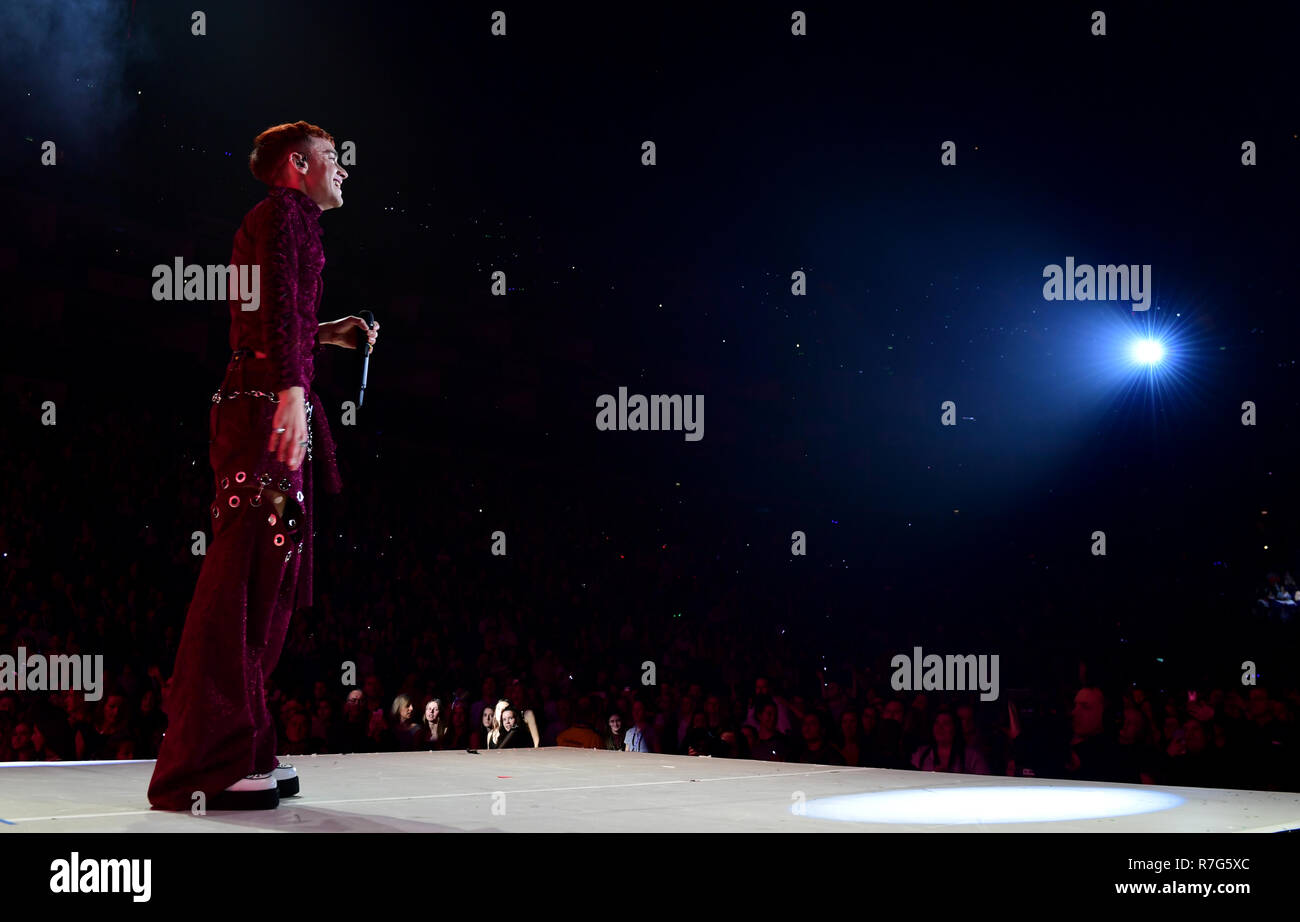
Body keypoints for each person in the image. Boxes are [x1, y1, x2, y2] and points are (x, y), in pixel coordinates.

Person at [148, 121, 379, 811]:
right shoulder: (280, 215)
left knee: (266, 588)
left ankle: (245, 747)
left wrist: (329, 335)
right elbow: (270, 311)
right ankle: (205, 766)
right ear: (297, 163)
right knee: (242, 580)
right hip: (261, 410)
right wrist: (289, 390)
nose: (343, 169)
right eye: (333, 157)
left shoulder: (284, 224)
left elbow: (268, 314)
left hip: (266, 402)